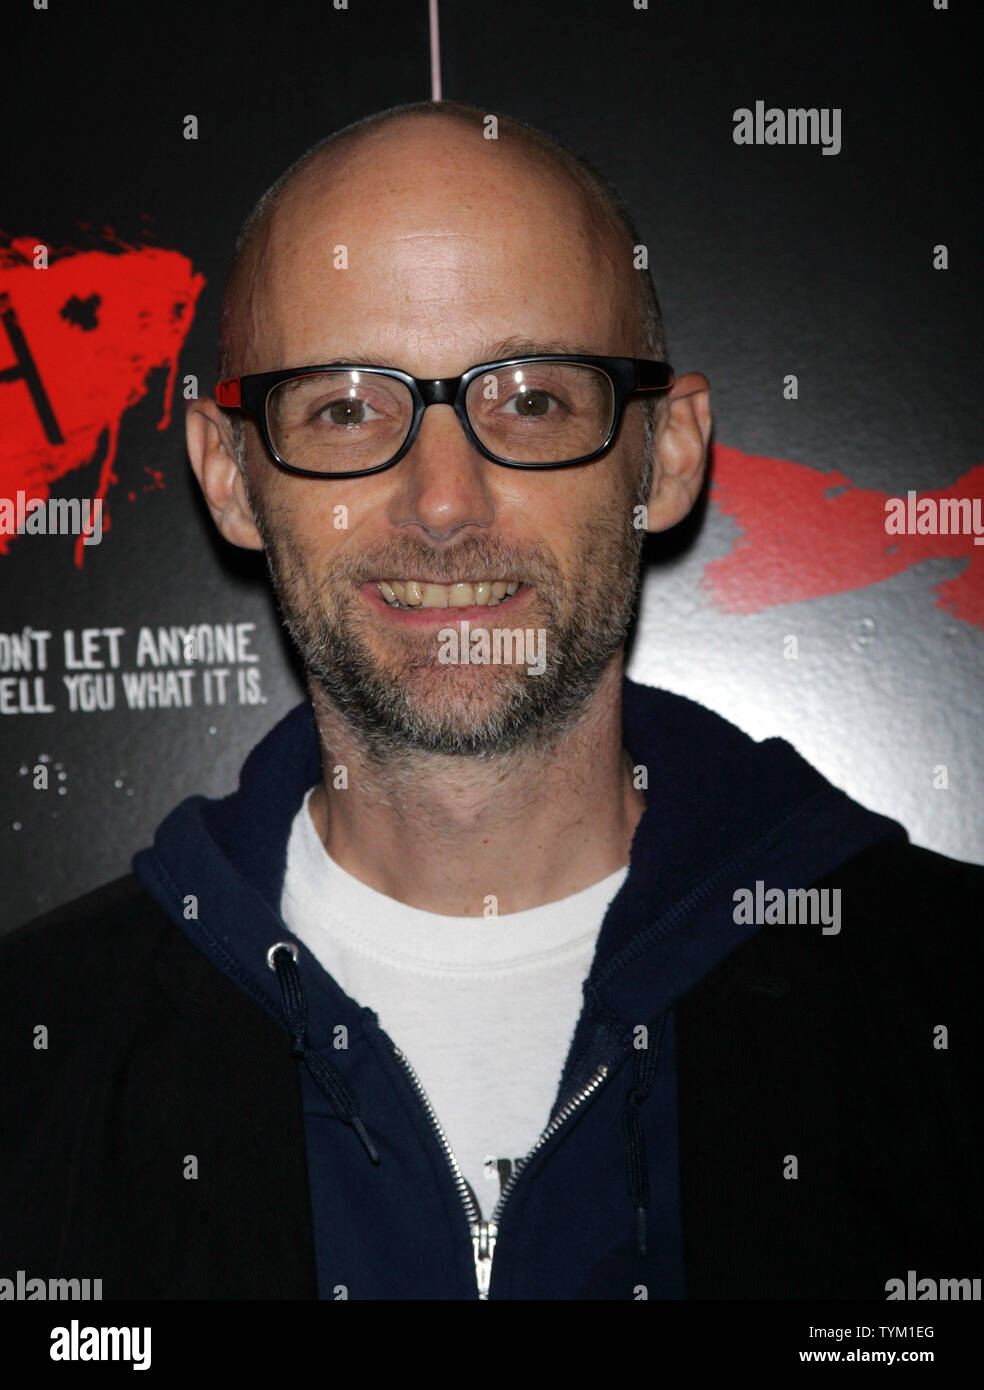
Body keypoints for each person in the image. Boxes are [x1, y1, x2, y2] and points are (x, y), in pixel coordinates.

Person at [1, 100, 980, 1302]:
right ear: (230, 476)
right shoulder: (34, 1065)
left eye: (532, 398)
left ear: (664, 455)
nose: (446, 501)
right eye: (348, 406)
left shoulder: (949, 1005)